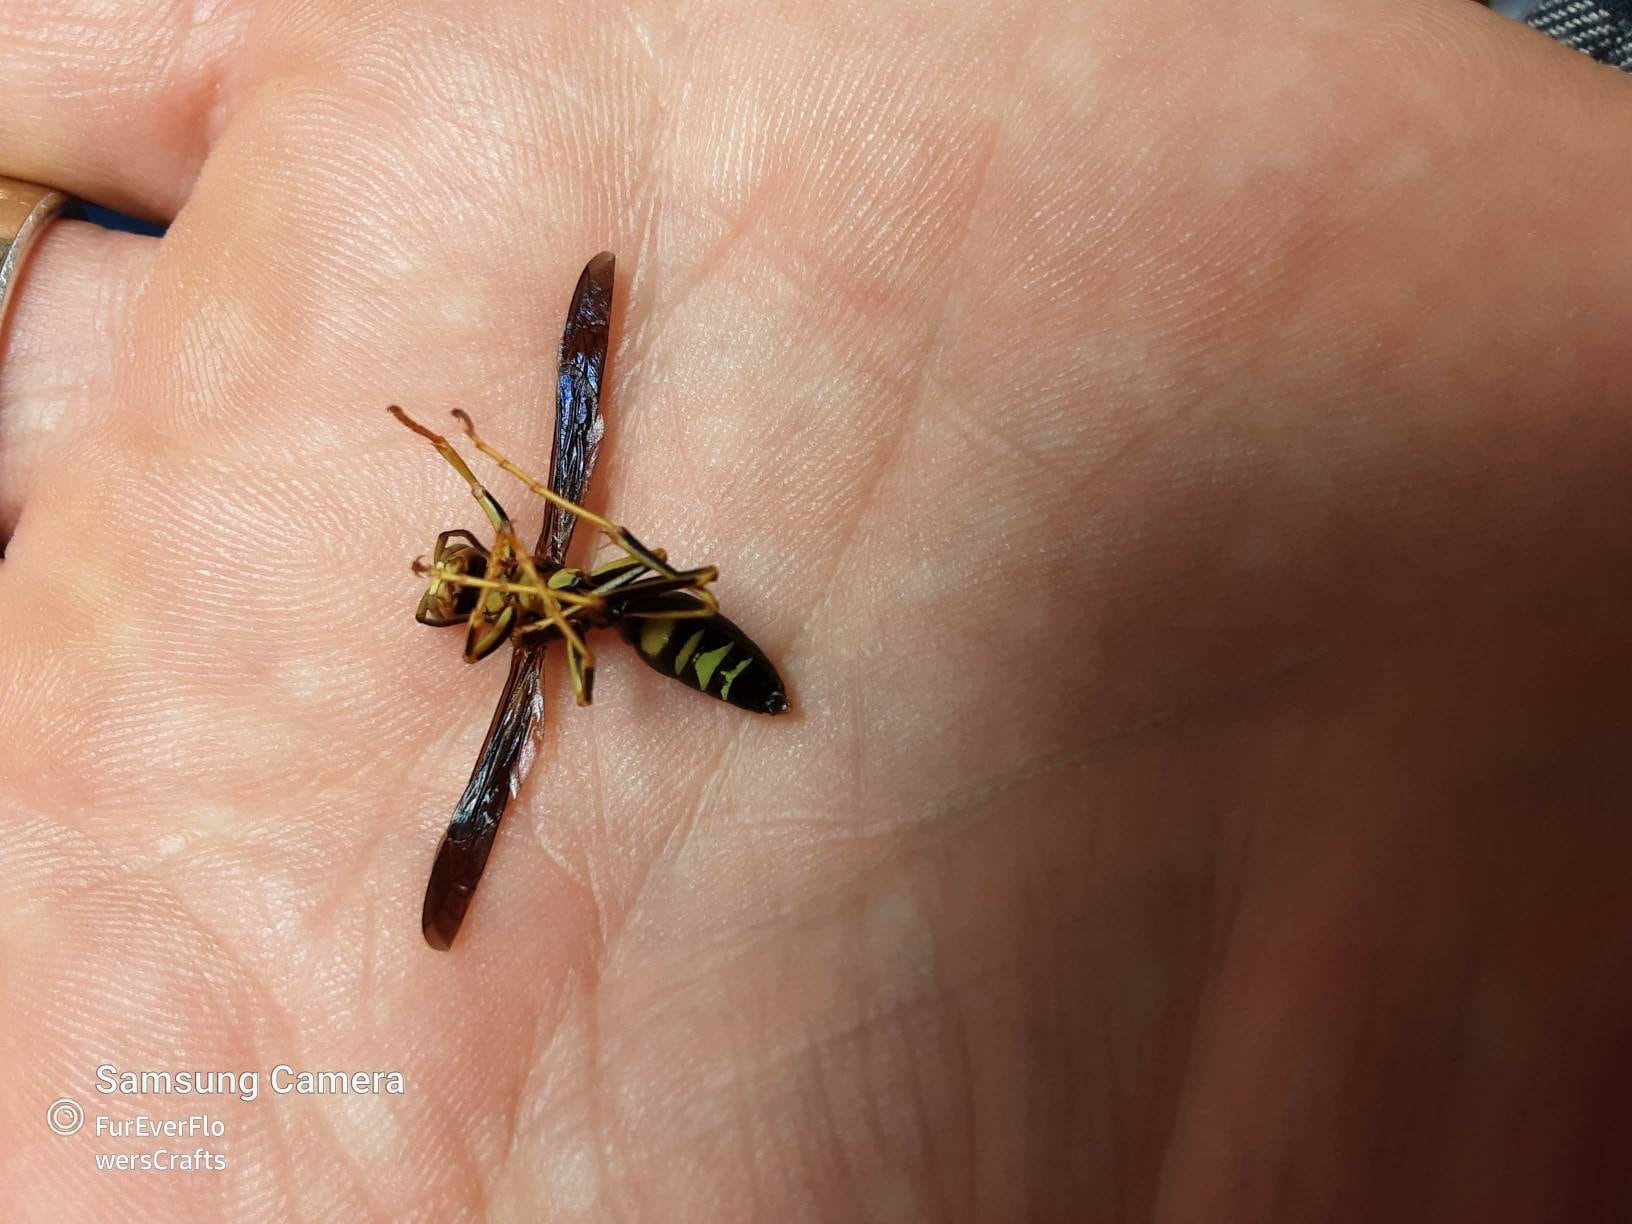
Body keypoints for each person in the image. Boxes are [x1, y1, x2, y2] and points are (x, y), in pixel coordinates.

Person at [1, 1, 1629, 1219]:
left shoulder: (550, 541)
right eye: (465, 589)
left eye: (460, 573)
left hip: (659, 609)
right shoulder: (549, 579)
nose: (461, 580)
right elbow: (542, 480)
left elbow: (557, 409)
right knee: (626, 593)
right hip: (652, 616)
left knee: (632, 584)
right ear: (489, 605)